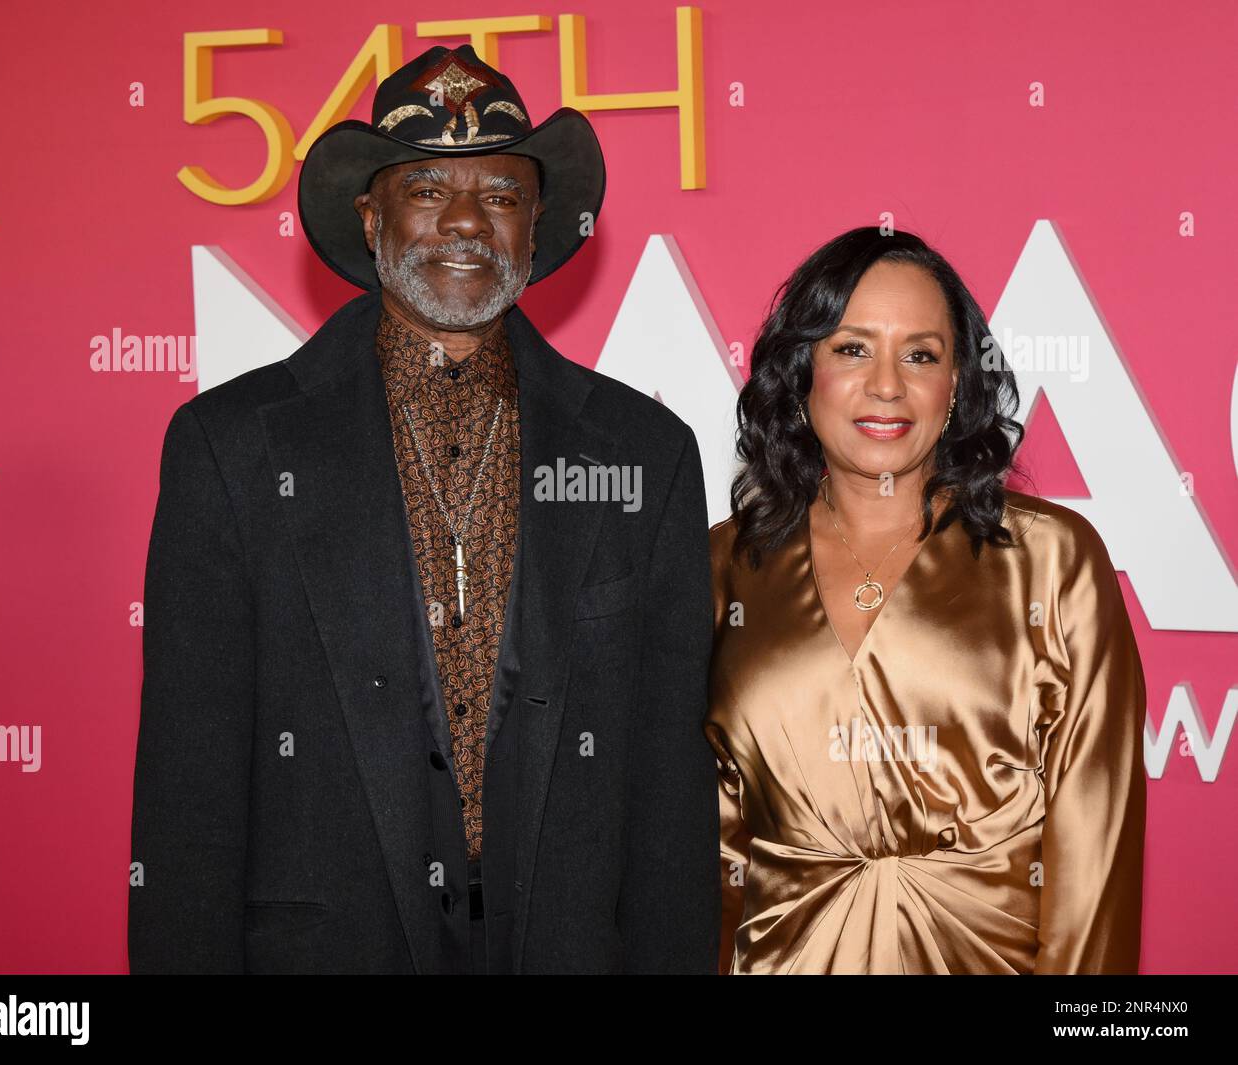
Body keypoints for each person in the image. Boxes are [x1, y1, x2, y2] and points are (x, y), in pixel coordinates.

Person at [129, 44, 719, 974]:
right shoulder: (231, 447)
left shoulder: (645, 455)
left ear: (535, 227)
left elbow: (670, 798)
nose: (464, 223)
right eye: (427, 188)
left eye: (500, 194)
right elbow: (187, 790)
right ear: (370, 219)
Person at [705, 227, 1147, 974]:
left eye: (921, 354)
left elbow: (1093, 864)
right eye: (851, 348)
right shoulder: (724, 564)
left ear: (957, 384)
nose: (886, 385)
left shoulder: (1052, 560)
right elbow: (704, 850)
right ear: (801, 370)